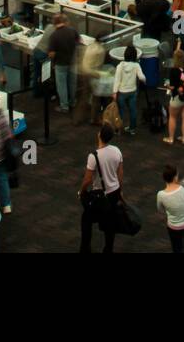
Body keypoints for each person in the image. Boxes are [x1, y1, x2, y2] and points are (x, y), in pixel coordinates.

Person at [79, 123, 124, 254]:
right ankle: (108, 249)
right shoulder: (117, 151)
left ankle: (85, 249)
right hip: (114, 192)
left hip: (99, 195)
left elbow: (87, 180)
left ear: (99, 135)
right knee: (110, 223)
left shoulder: (94, 156)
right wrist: (120, 191)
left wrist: (81, 191)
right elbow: (120, 175)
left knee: (86, 220)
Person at [157, 164, 184, 253]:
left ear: (164, 178)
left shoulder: (161, 194)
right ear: (175, 177)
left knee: (177, 248)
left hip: (174, 227)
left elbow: (160, 210)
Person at [48, 13, 80, 113]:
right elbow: (79, 41)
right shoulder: (72, 30)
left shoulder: (54, 36)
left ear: (54, 23)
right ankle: (72, 102)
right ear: (64, 21)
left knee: (62, 85)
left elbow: (51, 54)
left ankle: (64, 106)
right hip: (73, 61)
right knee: (72, 83)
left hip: (61, 64)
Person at [112, 44, 145, 135]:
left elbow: (117, 80)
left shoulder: (120, 66)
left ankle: (119, 129)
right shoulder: (136, 65)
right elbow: (142, 77)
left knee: (121, 111)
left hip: (122, 92)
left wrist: (114, 92)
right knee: (133, 110)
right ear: (134, 55)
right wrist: (144, 80)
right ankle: (132, 129)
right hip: (132, 91)